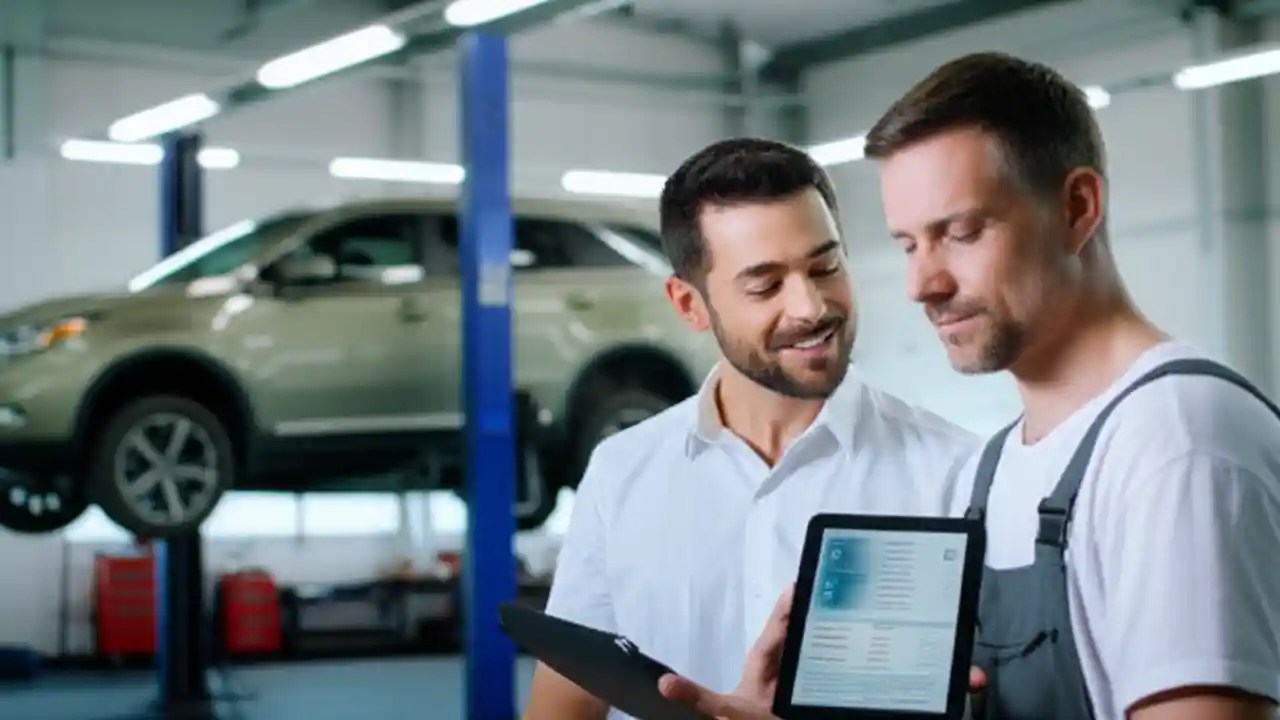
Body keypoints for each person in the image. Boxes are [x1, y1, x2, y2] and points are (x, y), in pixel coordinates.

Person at [657, 52, 1280, 720]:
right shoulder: (990, 470)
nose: (924, 284)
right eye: (908, 245)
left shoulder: (1175, 442)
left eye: (959, 232)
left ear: (1076, 208)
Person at [522, 138, 979, 719]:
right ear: (690, 305)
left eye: (826, 266)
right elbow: (564, 705)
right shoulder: (621, 473)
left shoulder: (954, 473)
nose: (810, 307)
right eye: (765, 285)